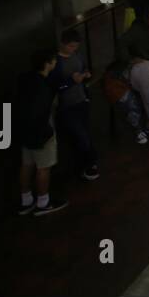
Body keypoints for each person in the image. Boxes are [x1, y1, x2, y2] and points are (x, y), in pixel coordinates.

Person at [16, 50, 68, 216]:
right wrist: (47, 132)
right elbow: (43, 110)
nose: (55, 62)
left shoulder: (25, 79)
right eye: (53, 60)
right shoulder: (44, 87)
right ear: (47, 63)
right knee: (43, 167)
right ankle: (43, 202)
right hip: (41, 133)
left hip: (24, 131)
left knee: (26, 165)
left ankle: (25, 200)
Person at [53, 29, 99, 182]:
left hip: (81, 101)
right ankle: (88, 163)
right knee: (79, 135)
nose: (74, 49)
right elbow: (55, 86)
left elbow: (85, 69)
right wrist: (72, 81)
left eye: (75, 46)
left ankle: (86, 164)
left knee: (84, 133)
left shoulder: (77, 56)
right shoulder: (56, 62)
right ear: (63, 44)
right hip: (66, 106)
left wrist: (86, 75)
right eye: (71, 46)